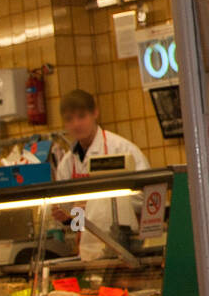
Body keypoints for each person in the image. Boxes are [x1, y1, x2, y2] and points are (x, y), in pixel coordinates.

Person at [54, 89, 150, 260]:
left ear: (95, 113)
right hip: (87, 250)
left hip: (127, 245)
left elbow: (146, 199)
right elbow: (75, 224)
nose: (76, 124)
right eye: (69, 119)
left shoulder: (122, 149)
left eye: (81, 116)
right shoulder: (66, 164)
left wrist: (93, 204)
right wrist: (66, 218)